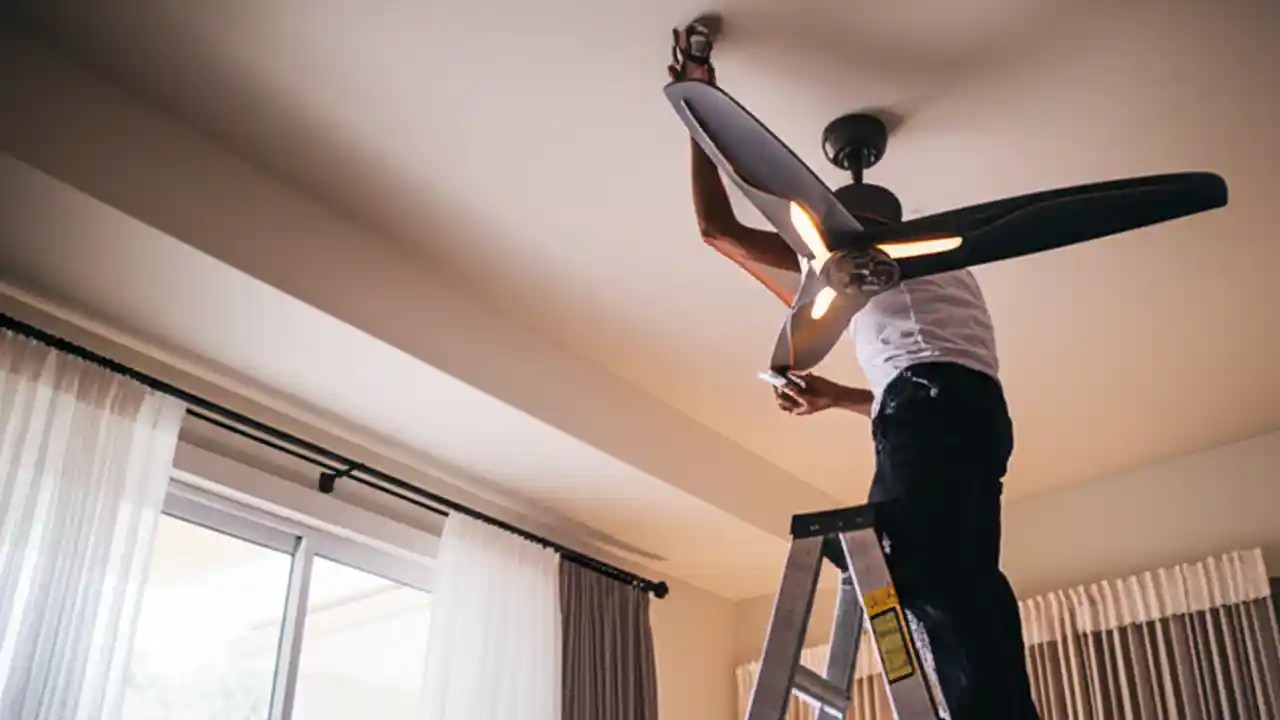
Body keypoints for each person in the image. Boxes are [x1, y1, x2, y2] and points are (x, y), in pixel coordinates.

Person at [669, 34, 1041, 720]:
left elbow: (716, 231)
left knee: (929, 579)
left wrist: (699, 106)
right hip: (964, 417)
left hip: (938, 413)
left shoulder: (863, 268)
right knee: (954, 585)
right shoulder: (933, 279)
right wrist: (838, 396)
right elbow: (936, 380)